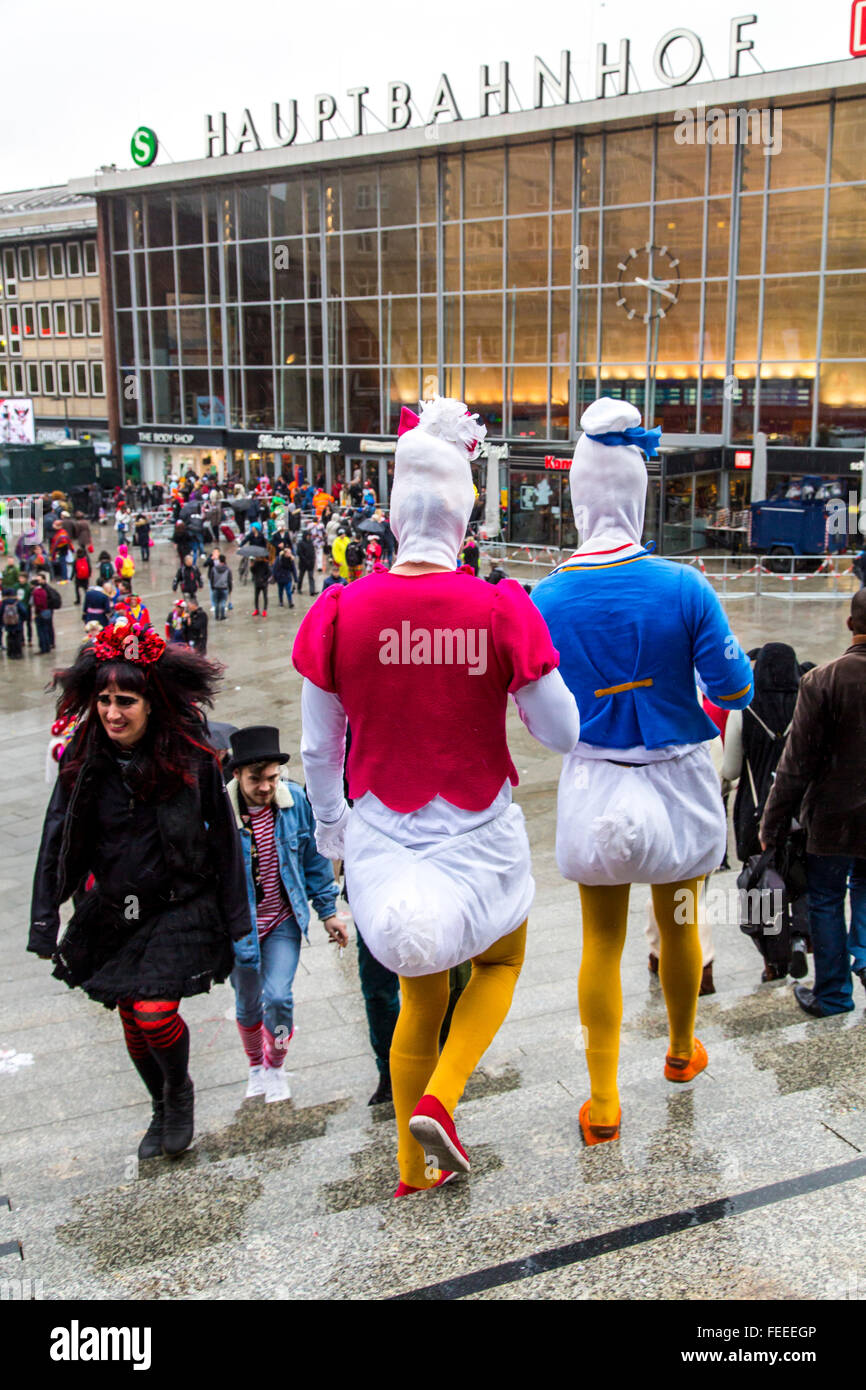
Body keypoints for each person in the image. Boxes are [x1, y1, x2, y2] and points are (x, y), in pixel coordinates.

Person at [293, 397, 579, 1195]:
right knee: (501, 958)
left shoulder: (341, 611)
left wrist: (334, 836)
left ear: (390, 513)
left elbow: (318, 749)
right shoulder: (499, 609)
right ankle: (444, 1102)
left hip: (384, 831)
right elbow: (561, 732)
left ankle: (410, 1171)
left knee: (418, 992)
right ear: (465, 515)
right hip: (479, 827)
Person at [532, 398, 753, 1146]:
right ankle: (683, 1051)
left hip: (595, 786)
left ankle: (601, 1100)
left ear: (579, 499)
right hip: (680, 786)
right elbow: (736, 690)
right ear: (638, 492)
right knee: (681, 924)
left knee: (602, 942)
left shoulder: (546, 598)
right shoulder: (686, 586)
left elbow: (538, 716)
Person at [29, 617, 251, 1159]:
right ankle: (159, 1103)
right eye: (104, 699)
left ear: (150, 702)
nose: (112, 712)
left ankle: (179, 1091)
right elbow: (55, 835)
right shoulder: (83, 761)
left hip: (180, 904)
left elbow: (223, 838)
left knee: (154, 1011)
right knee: (131, 1015)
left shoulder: (191, 755)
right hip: (114, 906)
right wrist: (45, 918)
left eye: (125, 700)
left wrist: (239, 921)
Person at [760, 590, 866, 1017]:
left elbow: (795, 764)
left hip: (832, 818)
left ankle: (834, 996)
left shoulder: (822, 680)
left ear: (849, 625)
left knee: (824, 899)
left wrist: (772, 823)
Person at [226, 726, 344, 1102]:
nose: (265, 787)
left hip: (282, 923)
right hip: (239, 928)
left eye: (272, 778)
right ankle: (255, 1064)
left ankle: (275, 1062)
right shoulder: (217, 813)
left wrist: (328, 912)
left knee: (278, 998)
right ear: (237, 776)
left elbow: (314, 861)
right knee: (246, 1005)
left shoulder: (294, 802)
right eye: (255, 779)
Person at [723, 643, 808, 983]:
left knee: (760, 880)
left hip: (756, 810)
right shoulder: (809, 702)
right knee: (803, 875)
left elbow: (730, 769)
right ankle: (801, 936)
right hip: (802, 809)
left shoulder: (743, 708)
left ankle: (772, 961)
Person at [31, 575, 55, 654]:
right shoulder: (43, 590)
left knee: (41, 632)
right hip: (47, 612)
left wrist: (36, 613)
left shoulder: (35, 592)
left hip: (40, 613)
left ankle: (43, 648)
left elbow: (37, 604)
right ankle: (48, 646)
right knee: (46, 629)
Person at [1, 586, 26, 658]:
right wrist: (23, 619)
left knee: (10, 637)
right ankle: (18, 653)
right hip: (17, 622)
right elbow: (23, 611)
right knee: (17, 638)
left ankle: (11, 653)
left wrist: (2, 622)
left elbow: (1, 612)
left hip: (8, 623)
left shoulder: (4, 603)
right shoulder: (17, 602)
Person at [211, 553, 233, 621]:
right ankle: (222, 615)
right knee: (223, 602)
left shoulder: (214, 568)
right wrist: (230, 588)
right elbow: (229, 580)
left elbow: (211, 578)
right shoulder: (227, 569)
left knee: (216, 602)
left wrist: (212, 587)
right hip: (224, 588)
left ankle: (217, 616)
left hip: (216, 587)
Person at [295, 530, 317, 596]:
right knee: (301, 577)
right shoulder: (300, 543)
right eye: (308, 536)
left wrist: (313, 560)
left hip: (310, 563)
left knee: (311, 577)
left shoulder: (311, 542)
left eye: (309, 536)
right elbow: (299, 553)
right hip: (303, 564)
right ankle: (299, 588)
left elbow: (313, 552)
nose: (309, 537)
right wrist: (305, 560)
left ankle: (312, 591)